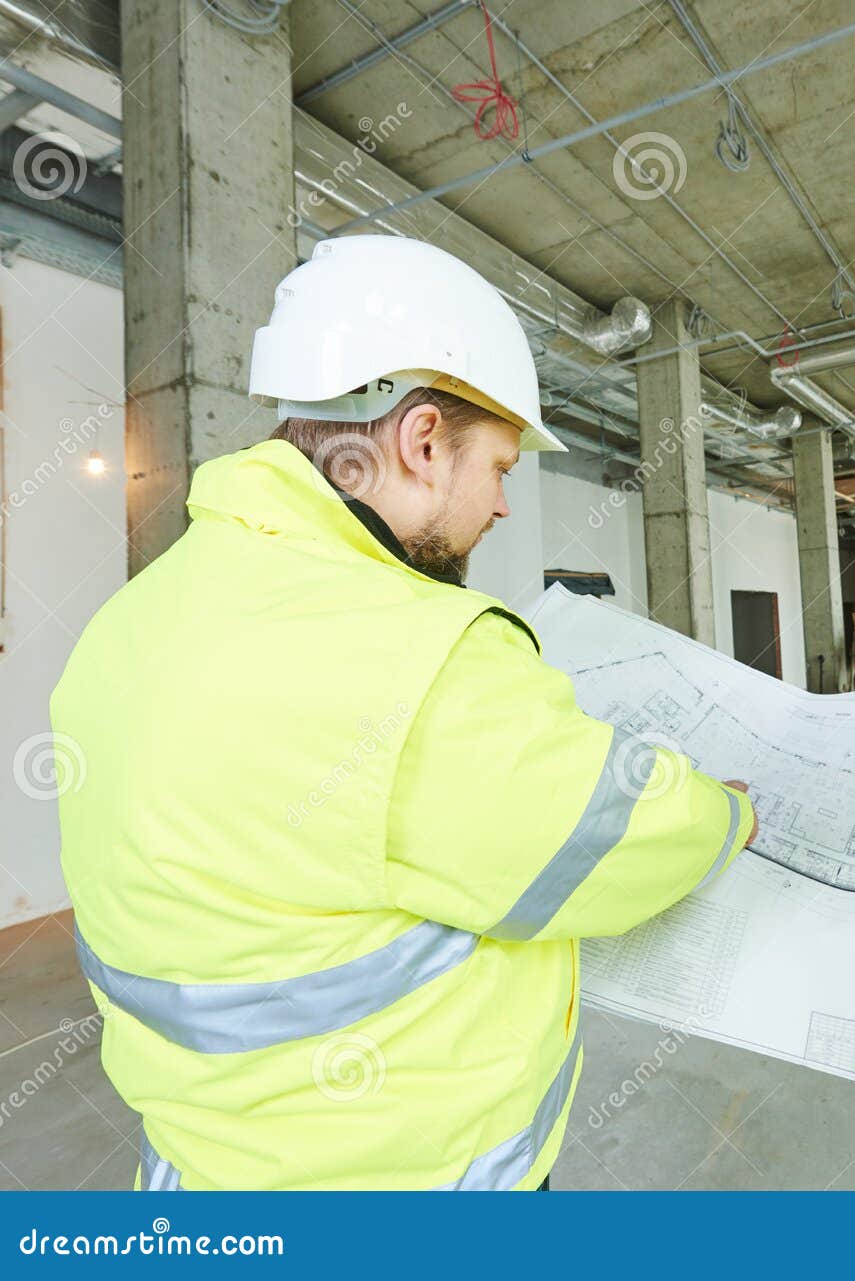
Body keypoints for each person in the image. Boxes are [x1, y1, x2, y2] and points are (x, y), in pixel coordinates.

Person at [51, 234, 756, 1190]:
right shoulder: (421, 656)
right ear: (423, 441)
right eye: (500, 467)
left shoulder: (124, 624)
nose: (502, 507)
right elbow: (623, 834)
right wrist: (729, 811)